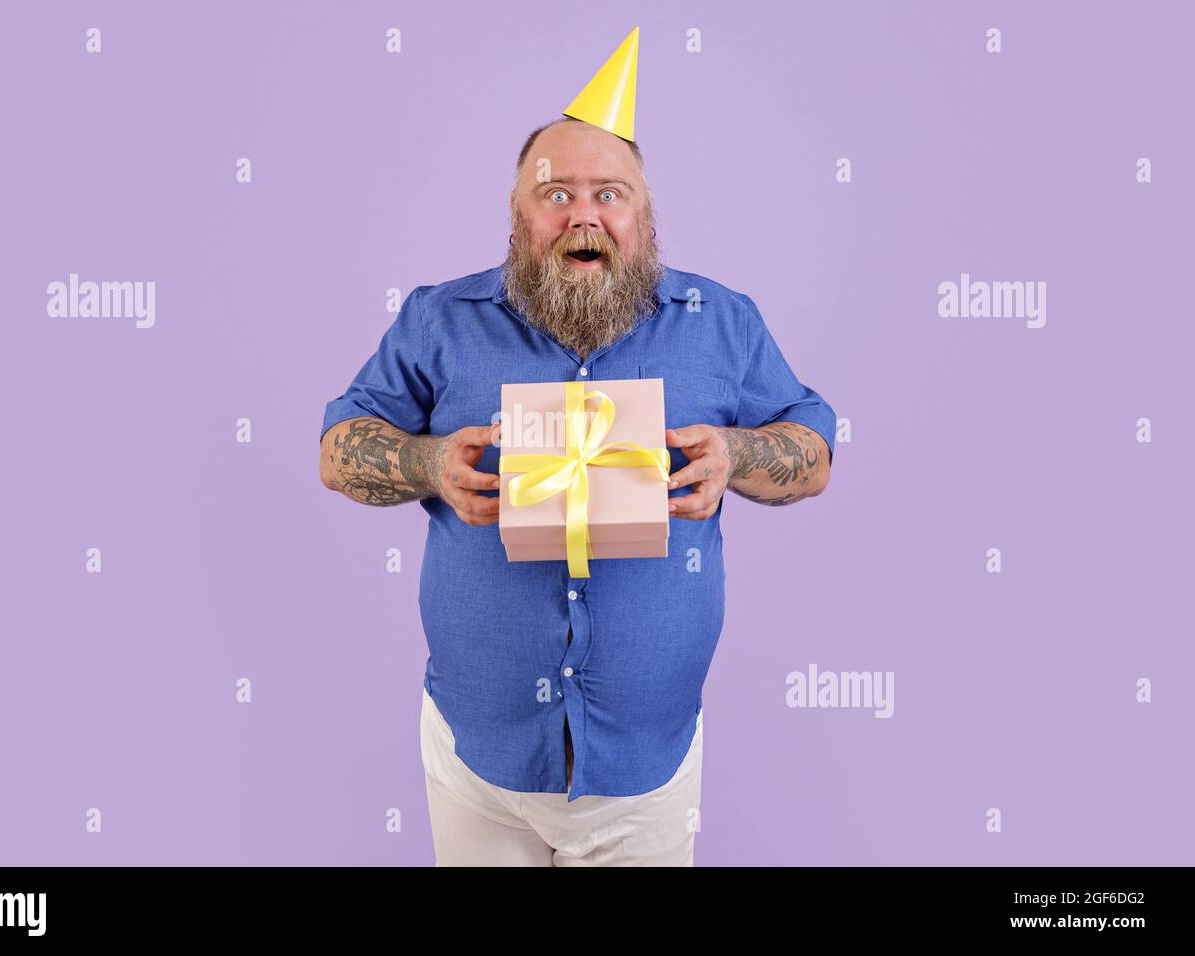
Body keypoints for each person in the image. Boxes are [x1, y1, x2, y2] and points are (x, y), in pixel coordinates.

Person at [318, 30, 836, 866]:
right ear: (518, 215)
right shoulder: (439, 320)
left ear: (645, 216)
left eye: (611, 192)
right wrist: (426, 463)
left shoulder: (723, 321)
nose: (583, 213)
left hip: (647, 770)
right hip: (477, 764)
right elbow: (337, 446)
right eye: (554, 193)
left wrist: (737, 456)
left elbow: (814, 449)